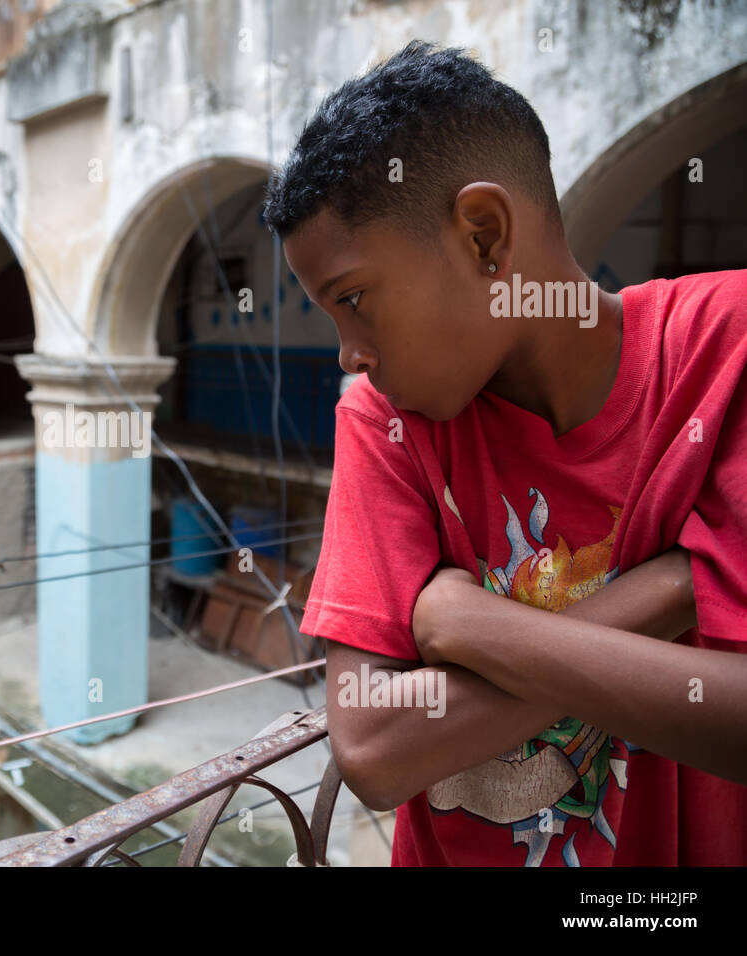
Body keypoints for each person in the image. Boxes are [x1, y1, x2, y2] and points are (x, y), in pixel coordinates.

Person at [263, 40, 747, 866]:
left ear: (484, 237)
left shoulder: (725, 355)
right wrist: (671, 589)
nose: (349, 354)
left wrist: (462, 620)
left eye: (353, 300)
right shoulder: (385, 423)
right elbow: (375, 745)